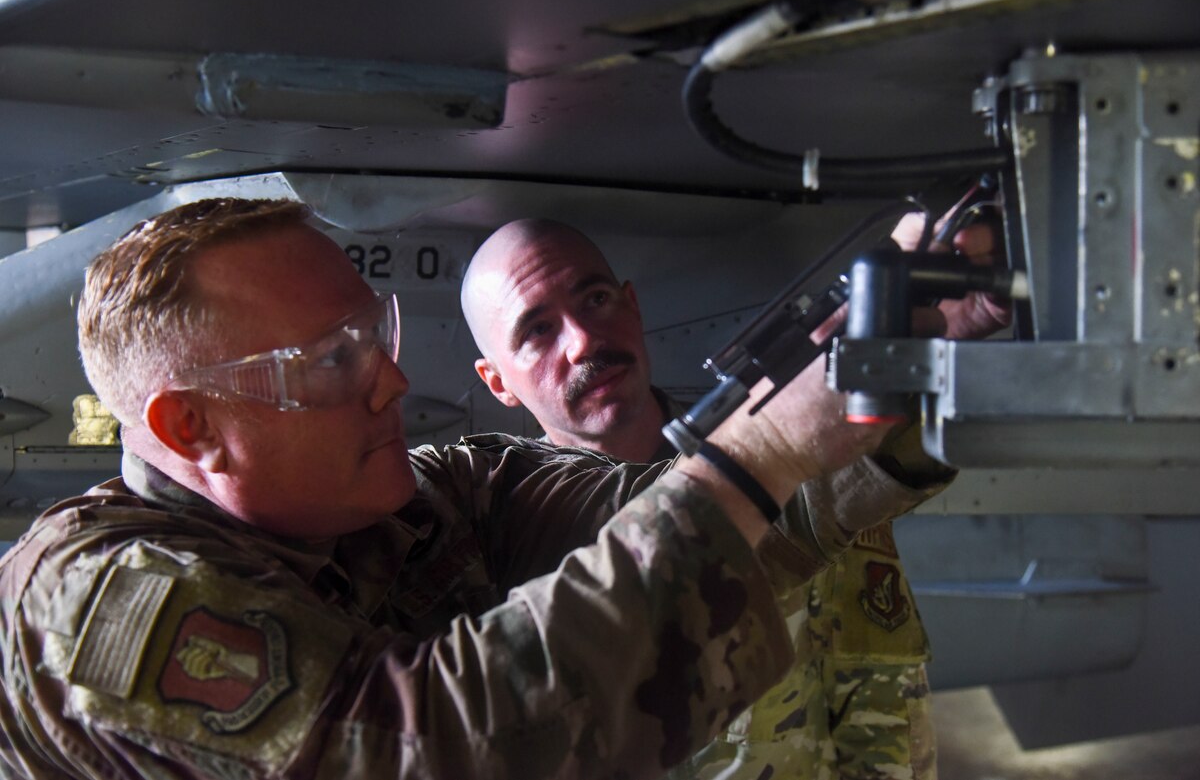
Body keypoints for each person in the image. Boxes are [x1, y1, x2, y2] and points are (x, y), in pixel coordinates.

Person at [0, 198, 916, 780]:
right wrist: (764, 452)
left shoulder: (414, 498)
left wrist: (907, 369)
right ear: (190, 428)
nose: (391, 382)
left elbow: (685, 517)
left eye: (374, 334)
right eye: (331, 360)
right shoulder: (100, 606)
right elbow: (439, 745)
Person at [460, 217, 1008, 779]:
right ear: (497, 381)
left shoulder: (796, 438)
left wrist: (937, 346)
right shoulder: (510, 530)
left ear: (633, 304)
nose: (582, 342)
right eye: (537, 332)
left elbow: (878, 688)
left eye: (595, 299)